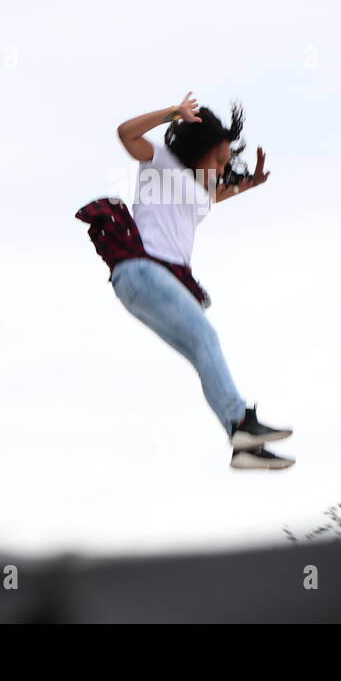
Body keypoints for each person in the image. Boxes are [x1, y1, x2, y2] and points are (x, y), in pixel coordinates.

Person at [76, 92, 294, 470]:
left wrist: (249, 184)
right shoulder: (161, 163)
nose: (222, 167)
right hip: (145, 270)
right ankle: (243, 423)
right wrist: (173, 113)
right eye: (220, 159)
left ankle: (242, 444)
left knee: (201, 351)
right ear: (201, 148)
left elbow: (214, 195)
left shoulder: (200, 190)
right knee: (207, 339)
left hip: (154, 281)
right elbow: (126, 133)